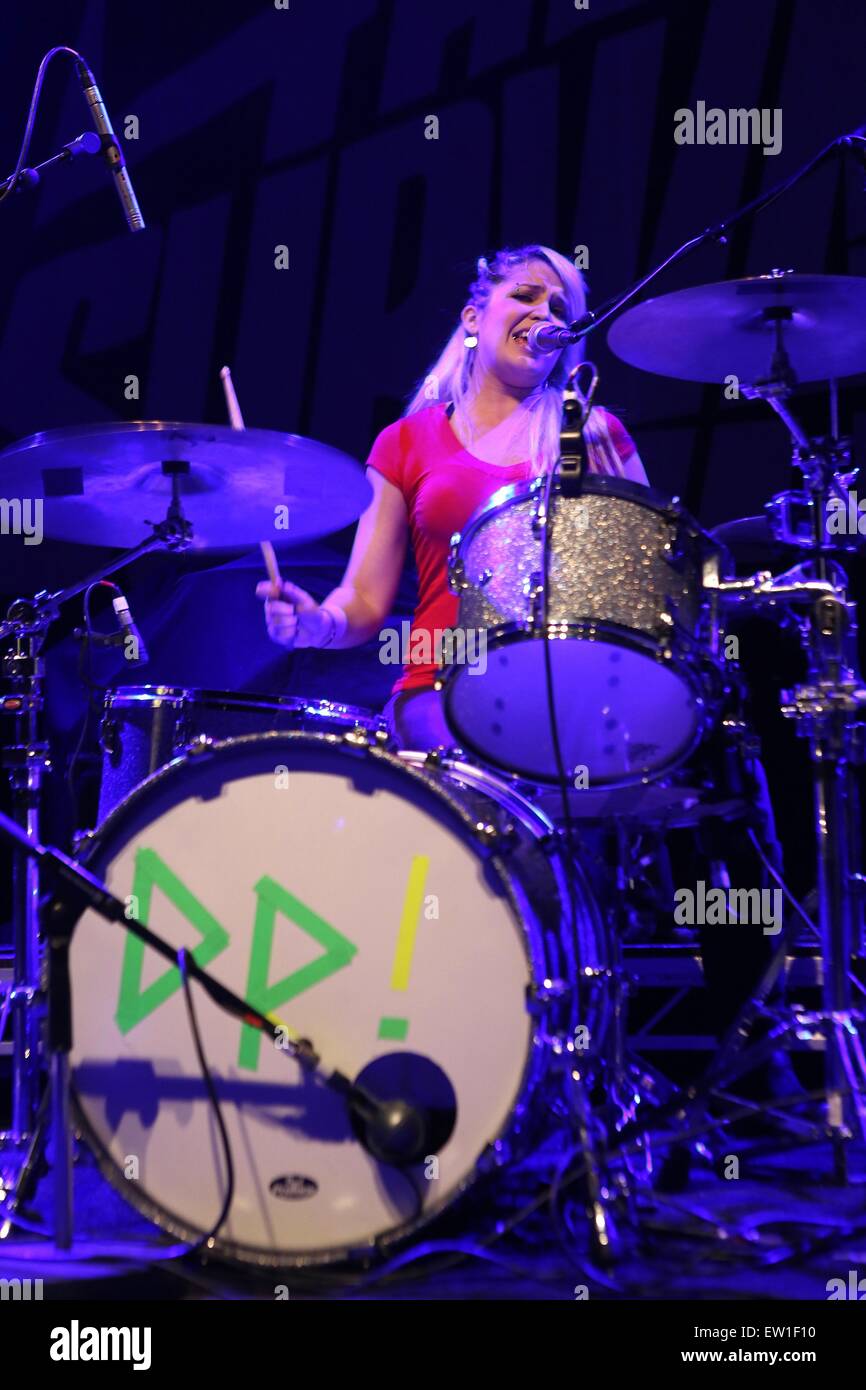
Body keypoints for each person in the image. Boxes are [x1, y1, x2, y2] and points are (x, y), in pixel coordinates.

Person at [257, 244, 647, 750]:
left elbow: (648, 575)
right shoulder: (404, 441)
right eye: (525, 296)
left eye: (558, 309)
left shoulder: (593, 434)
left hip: (572, 700)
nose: (544, 315)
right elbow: (365, 598)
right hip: (438, 697)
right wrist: (319, 624)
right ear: (473, 318)